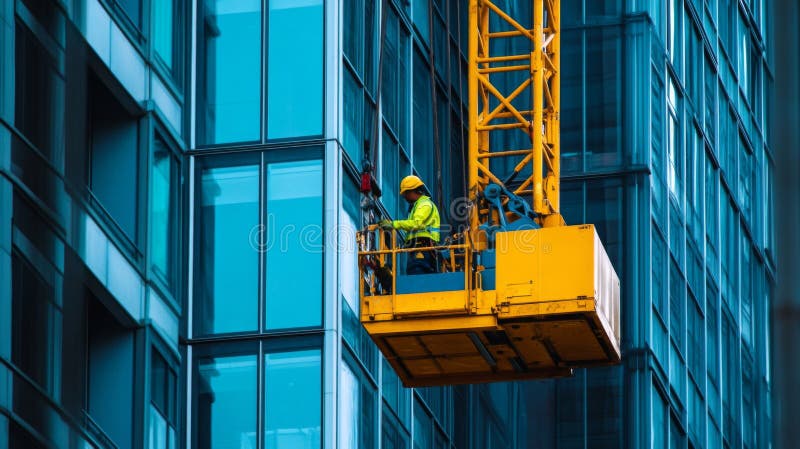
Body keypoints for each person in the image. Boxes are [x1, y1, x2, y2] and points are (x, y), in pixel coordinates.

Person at [379, 175, 441, 274]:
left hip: (422, 249)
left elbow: (417, 224)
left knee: (417, 277)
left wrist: (393, 224)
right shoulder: (417, 206)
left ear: (414, 191)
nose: (405, 197)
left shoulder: (424, 204)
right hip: (420, 249)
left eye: (406, 193)